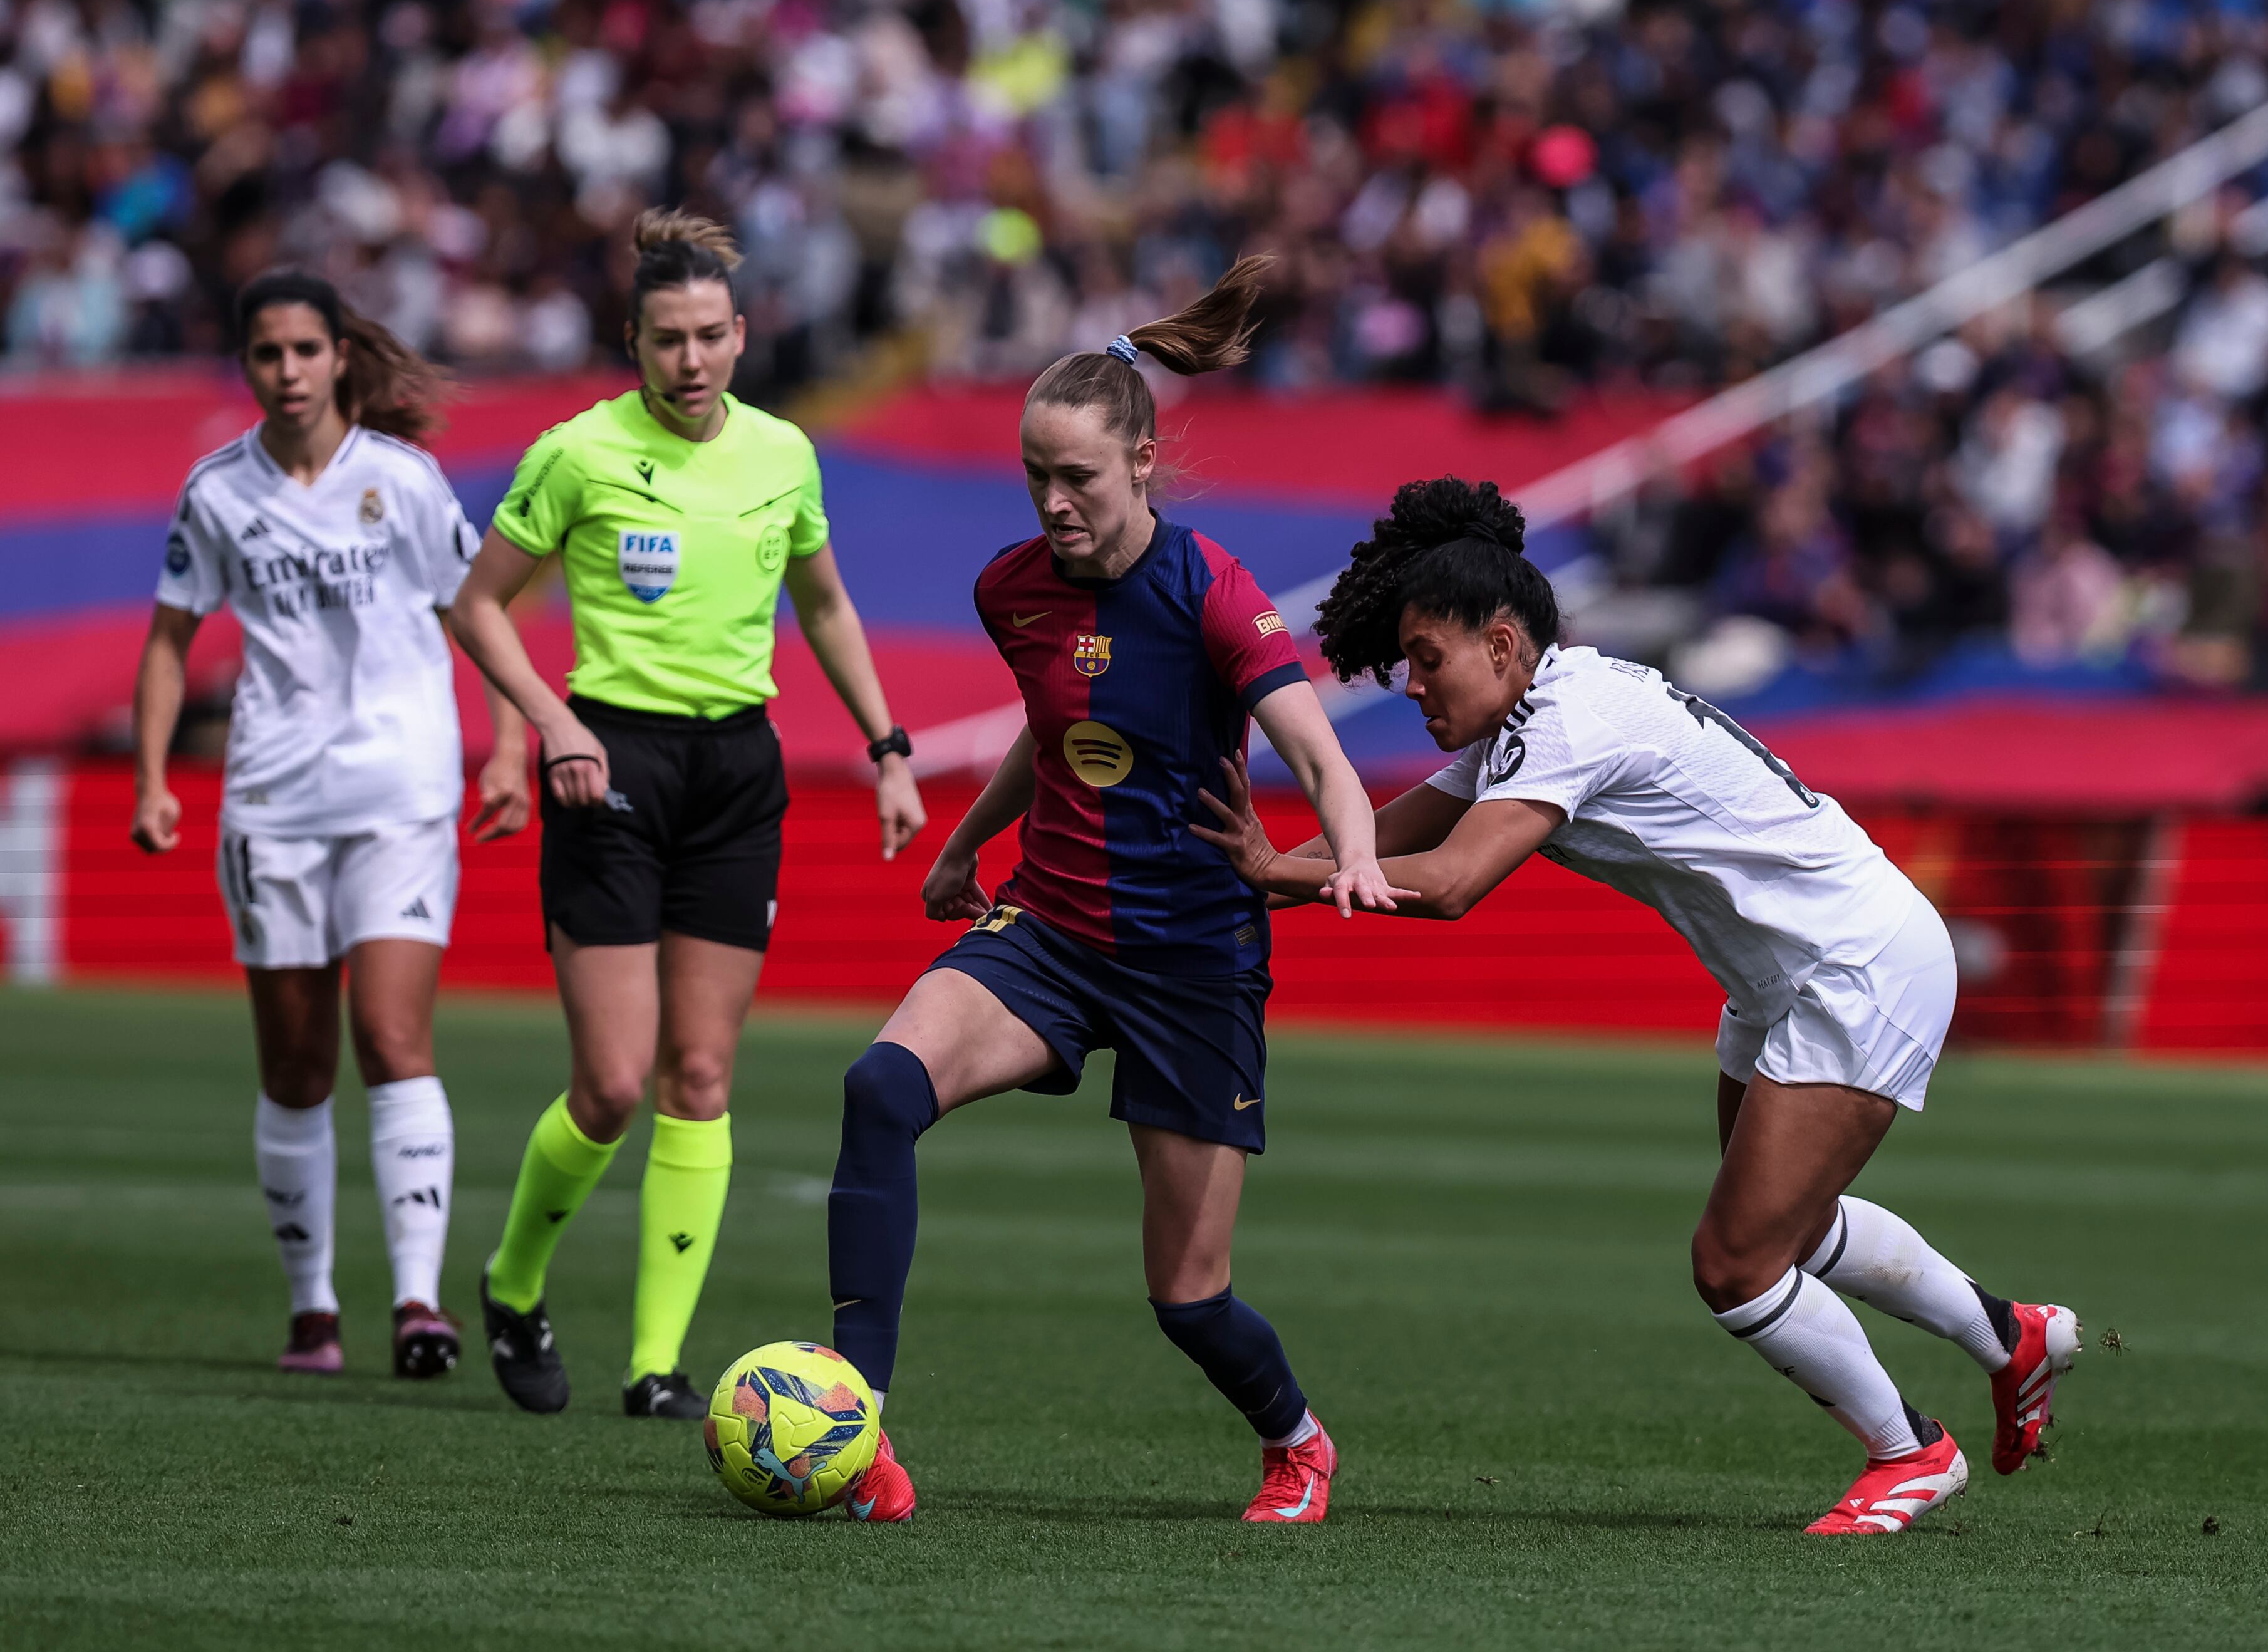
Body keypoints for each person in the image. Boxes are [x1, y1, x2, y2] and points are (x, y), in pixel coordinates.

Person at [1191, 477, 2081, 1536]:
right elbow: (1381, 839)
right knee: (1782, 1233)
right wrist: (1252, 874)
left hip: (1857, 964)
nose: (1416, 690)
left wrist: (1268, 873)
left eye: (1429, 660)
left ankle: (1910, 1451)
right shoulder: (1534, 715)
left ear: (1506, 645)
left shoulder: (1568, 720)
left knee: (1735, 1262)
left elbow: (1453, 883)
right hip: (1790, 972)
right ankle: (2008, 1333)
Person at [822, 257, 1398, 1525]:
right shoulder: (1008, 588)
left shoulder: (1213, 593)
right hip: (1051, 929)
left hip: (1192, 961)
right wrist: (965, 847)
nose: (1051, 499)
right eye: (1034, 474)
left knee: (1187, 1300)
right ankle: (854, 1431)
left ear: (1141, 460)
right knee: (878, 1089)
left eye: (1074, 475)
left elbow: (1317, 752)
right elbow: (1054, 723)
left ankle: (1295, 1441)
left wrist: (1347, 846)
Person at [447, 210, 926, 1421]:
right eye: (669, 340)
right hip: (609, 763)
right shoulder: (578, 453)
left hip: (736, 774)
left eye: (712, 336)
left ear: (743, 334)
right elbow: (479, 605)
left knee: (701, 1072)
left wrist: (887, 746)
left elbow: (823, 604)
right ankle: (512, 1284)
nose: (693, 360)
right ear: (634, 342)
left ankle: (654, 1367)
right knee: (610, 1084)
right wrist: (553, 721)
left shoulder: (784, 454)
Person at [130, 269, 531, 1380]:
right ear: (248, 367)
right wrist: (155, 776)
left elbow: (477, 612)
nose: (290, 371)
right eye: (268, 355)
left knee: (394, 1040)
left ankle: (416, 1299)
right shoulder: (217, 493)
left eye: (307, 350)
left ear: (340, 357)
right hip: (272, 803)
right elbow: (170, 640)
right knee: (298, 1066)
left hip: (401, 796)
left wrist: (507, 742)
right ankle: (313, 1308)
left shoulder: (403, 481)